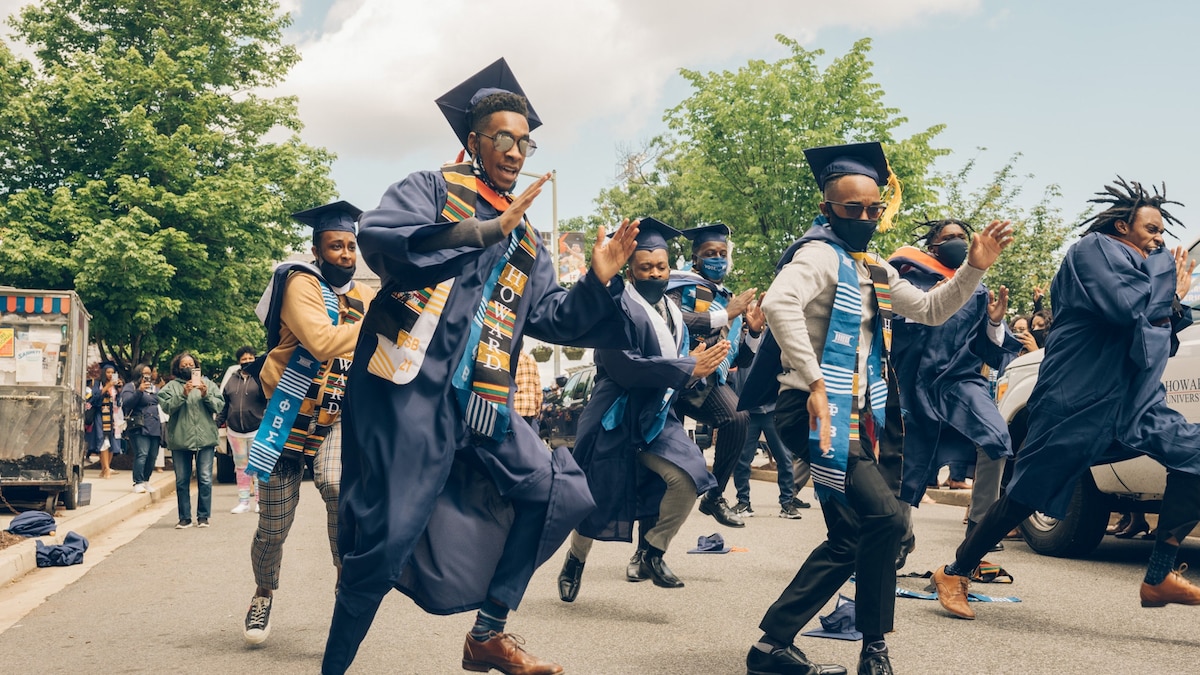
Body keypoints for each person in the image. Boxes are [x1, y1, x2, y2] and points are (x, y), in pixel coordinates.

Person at [322, 59, 640, 675]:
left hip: (484, 398)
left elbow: (549, 315)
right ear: (473, 142)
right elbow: (388, 240)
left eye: (525, 142)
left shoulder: (530, 240)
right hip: (410, 388)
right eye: (503, 139)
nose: (516, 151)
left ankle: (489, 633)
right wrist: (482, 229)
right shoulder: (433, 189)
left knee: (555, 490)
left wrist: (599, 278)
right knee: (386, 541)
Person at [740, 141, 1013, 675]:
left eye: (873, 209)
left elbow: (932, 309)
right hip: (814, 412)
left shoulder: (873, 268)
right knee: (886, 521)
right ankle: (873, 648)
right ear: (828, 211)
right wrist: (816, 381)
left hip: (855, 417)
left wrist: (974, 270)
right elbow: (777, 303)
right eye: (852, 210)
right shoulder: (818, 255)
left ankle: (775, 647)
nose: (865, 218)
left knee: (851, 537)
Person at [932, 178, 1200, 620]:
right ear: (1121, 226)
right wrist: (1168, 290)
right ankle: (955, 570)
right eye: (1151, 229)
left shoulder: (1144, 270)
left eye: (1160, 232)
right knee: (1025, 496)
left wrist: (1170, 307)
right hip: (1078, 399)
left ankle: (1158, 576)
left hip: (1133, 403)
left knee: (1192, 456)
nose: (1160, 239)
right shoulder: (1092, 251)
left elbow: (1155, 341)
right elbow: (1123, 309)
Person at [557, 218, 730, 602]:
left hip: (655, 417)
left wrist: (694, 365)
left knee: (690, 476)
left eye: (661, 267)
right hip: (615, 417)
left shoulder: (671, 309)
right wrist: (688, 367)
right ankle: (575, 559)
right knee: (598, 498)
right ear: (631, 271)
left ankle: (653, 550)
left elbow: (678, 361)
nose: (655, 273)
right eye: (645, 267)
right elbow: (626, 367)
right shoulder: (615, 308)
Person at [239, 200, 377, 646]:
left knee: (339, 489)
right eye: (335, 246)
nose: (345, 254)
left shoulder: (364, 295)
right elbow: (320, 342)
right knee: (274, 527)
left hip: (335, 417)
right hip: (288, 417)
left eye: (351, 246)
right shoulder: (301, 283)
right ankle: (263, 592)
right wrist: (378, 323)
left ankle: (345, 593)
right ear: (316, 250)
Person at [887, 219, 1022, 568]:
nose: (959, 243)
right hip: (913, 382)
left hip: (960, 381)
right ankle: (900, 537)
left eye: (963, 237)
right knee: (905, 464)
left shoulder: (977, 290)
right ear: (932, 246)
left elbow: (990, 352)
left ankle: (979, 536)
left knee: (996, 440)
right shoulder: (904, 280)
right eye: (950, 238)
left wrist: (993, 322)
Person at [667, 222, 761, 529]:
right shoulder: (679, 284)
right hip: (670, 378)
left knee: (738, 417)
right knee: (663, 473)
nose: (718, 258)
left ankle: (715, 495)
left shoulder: (725, 296)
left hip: (706, 381)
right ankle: (647, 552)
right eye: (710, 253)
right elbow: (679, 319)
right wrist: (728, 314)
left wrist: (754, 331)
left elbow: (736, 358)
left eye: (722, 253)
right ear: (695, 257)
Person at [157, 352, 224, 529]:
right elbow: (166, 407)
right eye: (183, 364)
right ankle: (184, 518)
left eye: (190, 364)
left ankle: (203, 517)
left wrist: (206, 395)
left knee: (205, 478)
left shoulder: (207, 384)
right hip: (180, 439)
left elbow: (219, 406)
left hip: (205, 439)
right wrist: (183, 395)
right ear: (178, 368)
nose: (187, 367)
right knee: (182, 480)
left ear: (196, 366)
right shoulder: (171, 387)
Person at [216, 346, 266, 515]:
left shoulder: (261, 378)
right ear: (239, 362)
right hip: (235, 432)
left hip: (256, 430)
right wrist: (217, 423)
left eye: (250, 359)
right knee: (241, 467)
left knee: (257, 467)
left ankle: (260, 501)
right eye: (244, 360)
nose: (247, 362)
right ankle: (243, 502)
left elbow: (269, 401)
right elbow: (224, 405)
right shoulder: (231, 380)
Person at [118, 363, 163, 493]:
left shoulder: (154, 388)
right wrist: (139, 391)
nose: (147, 376)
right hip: (139, 425)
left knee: (152, 455)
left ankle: (146, 480)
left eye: (149, 373)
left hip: (154, 425)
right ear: (138, 373)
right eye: (145, 373)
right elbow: (127, 403)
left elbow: (158, 400)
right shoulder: (130, 387)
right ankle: (138, 482)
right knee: (142, 453)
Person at [89, 362, 124, 478]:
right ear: (104, 373)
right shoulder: (98, 384)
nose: (110, 374)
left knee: (112, 442)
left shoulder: (115, 386)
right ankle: (106, 469)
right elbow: (94, 398)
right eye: (108, 372)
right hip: (101, 415)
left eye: (112, 372)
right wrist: (108, 386)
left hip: (114, 416)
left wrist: (119, 388)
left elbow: (119, 402)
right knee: (103, 440)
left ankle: (105, 468)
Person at [513, 350, 543, 434]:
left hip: (513, 407)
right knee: (524, 438)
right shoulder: (531, 361)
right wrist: (537, 409)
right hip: (528, 407)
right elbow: (537, 387)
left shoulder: (509, 359)